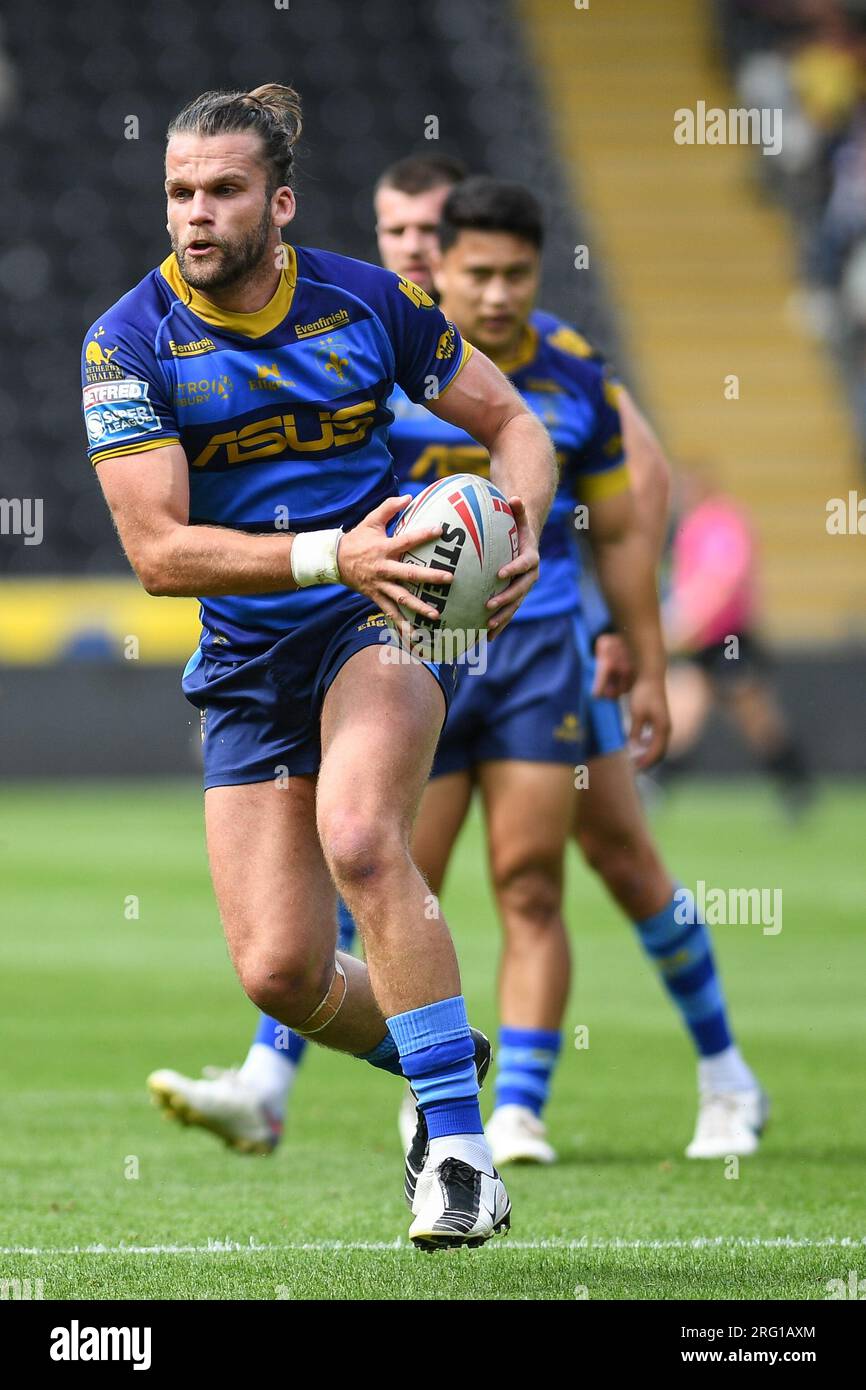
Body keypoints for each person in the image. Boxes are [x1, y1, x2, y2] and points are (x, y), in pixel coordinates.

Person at [151, 161, 767, 1168]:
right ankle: (305, 1081)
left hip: (534, 646)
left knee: (563, 869)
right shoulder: (375, 346)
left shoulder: (562, 363)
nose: (430, 258)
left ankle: (654, 1082)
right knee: (378, 861)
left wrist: (638, 645)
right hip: (416, 634)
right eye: (400, 233)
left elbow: (633, 494)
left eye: (441, 239)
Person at [82, 86, 561, 1250]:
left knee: (359, 835)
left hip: (381, 614)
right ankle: (441, 1049)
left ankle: (458, 1153)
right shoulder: (128, 340)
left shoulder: (372, 302)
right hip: (249, 659)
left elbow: (516, 428)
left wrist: (522, 531)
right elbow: (157, 553)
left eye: (224, 190)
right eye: (180, 193)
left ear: (279, 202)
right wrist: (322, 549)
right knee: (280, 974)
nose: (196, 214)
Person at [662, 465, 814, 818]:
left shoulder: (722, 522)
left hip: (728, 638)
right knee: (683, 717)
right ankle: (651, 791)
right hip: (700, 644)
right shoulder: (691, 527)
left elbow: (721, 581)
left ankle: (795, 786)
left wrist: (682, 621)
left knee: (756, 719)